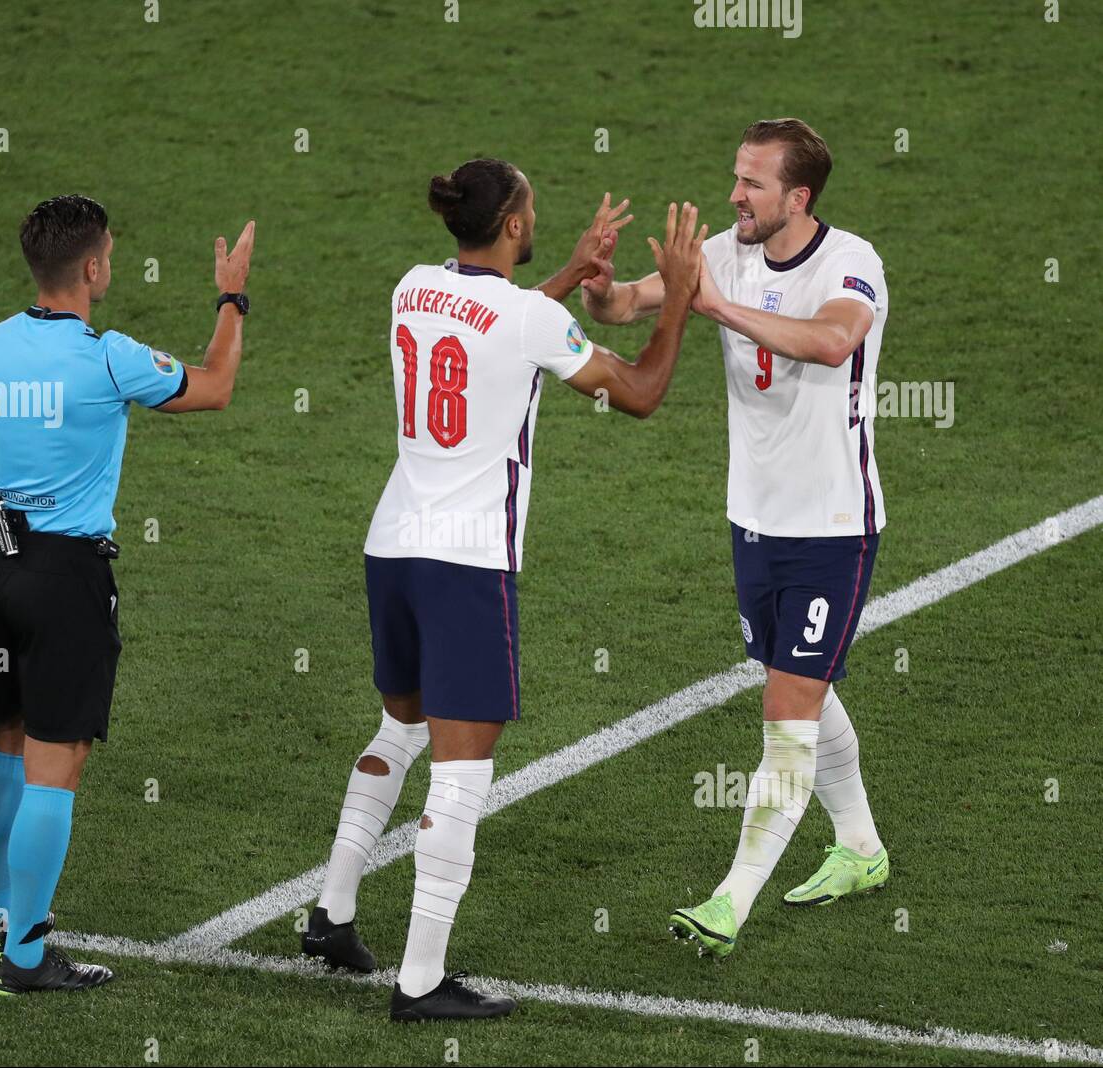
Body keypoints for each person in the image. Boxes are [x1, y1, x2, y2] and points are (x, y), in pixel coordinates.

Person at [302, 158, 706, 1019]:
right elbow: (639, 393)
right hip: (465, 565)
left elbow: (493, 316)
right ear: (515, 225)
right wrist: (675, 296)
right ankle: (419, 982)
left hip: (393, 546)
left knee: (398, 726)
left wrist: (564, 274)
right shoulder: (527, 318)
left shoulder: (413, 287)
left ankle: (332, 914)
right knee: (462, 775)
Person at [584, 119, 890, 958]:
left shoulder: (851, 264)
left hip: (831, 527)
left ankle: (728, 902)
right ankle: (861, 848)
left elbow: (831, 341)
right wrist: (598, 285)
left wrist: (711, 300)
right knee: (804, 688)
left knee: (787, 711)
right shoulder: (726, 251)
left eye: (752, 184)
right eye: (735, 178)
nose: (733, 196)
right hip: (752, 522)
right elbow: (625, 305)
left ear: (799, 197)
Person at [0, 194, 255, 993]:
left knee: (7, 737)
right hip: (64, 578)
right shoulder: (106, 356)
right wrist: (231, 298)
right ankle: (24, 960)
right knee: (59, 759)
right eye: (109, 254)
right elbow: (216, 385)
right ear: (90, 268)